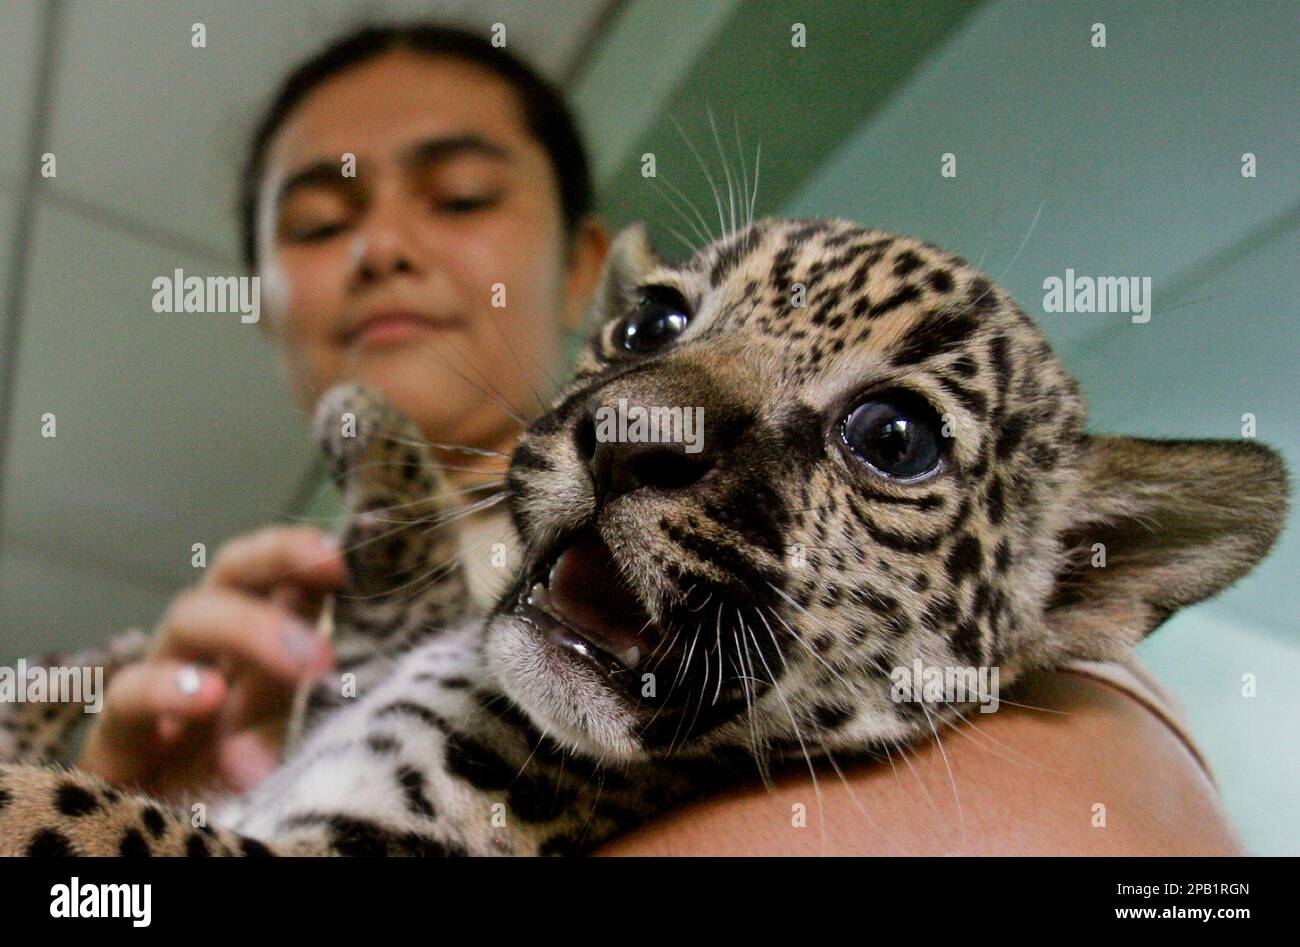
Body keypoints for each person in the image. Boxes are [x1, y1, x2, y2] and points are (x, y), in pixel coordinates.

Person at [76, 23, 1245, 855]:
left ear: (589, 265)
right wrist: (123, 799)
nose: (380, 247)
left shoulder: (979, 647)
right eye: (321, 219)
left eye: (460, 195)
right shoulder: (254, 622)